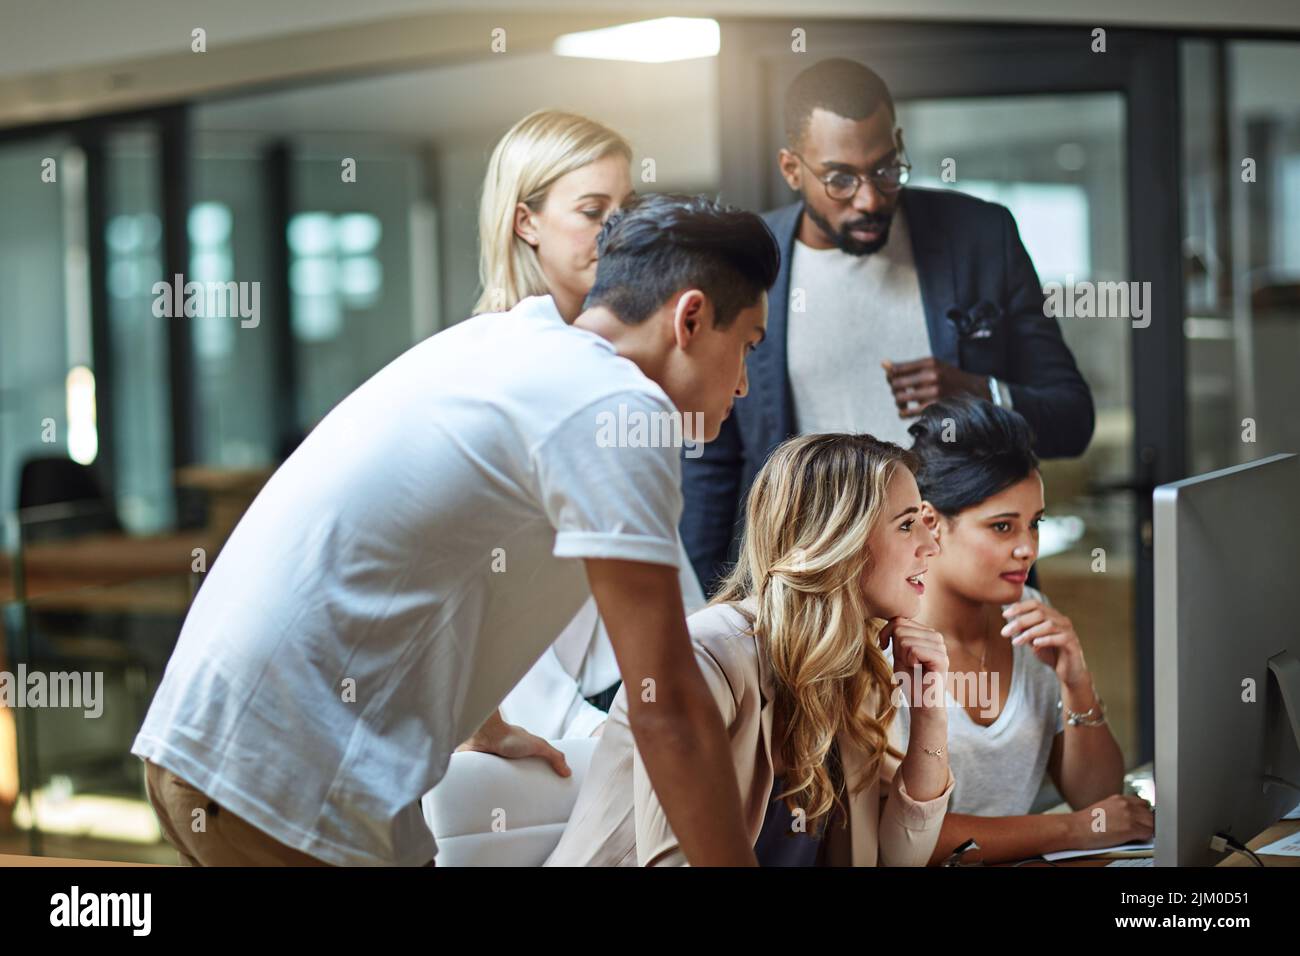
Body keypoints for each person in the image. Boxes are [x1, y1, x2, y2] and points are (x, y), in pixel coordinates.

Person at [131, 193, 777, 867]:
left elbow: (442, 549)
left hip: (213, 750)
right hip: (288, 778)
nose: (742, 386)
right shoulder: (618, 408)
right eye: (748, 348)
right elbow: (666, 704)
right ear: (692, 317)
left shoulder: (505, 342)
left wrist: (485, 722)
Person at [682, 57, 1095, 595]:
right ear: (791, 168)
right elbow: (716, 462)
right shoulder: (747, 261)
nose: (870, 198)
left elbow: (1073, 415)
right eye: (840, 179)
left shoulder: (980, 237)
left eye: (885, 170)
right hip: (807, 593)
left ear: (898, 143)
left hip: (958, 589)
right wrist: (705, 616)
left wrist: (981, 393)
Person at [546, 433, 954, 867]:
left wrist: (930, 714)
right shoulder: (705, 658)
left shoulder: (853, 672)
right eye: (907, 524)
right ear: (837, 539)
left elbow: (898, 858)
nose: (931, 546)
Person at [469, 109, 705, 742]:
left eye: (623, 211)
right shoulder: (504, 367)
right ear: (526, 221)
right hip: (543, 717)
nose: (614, 233)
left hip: (614, 698)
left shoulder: (614, 366)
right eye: (591, 210)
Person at [896, 397, 1151, 865]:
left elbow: (1095, 797)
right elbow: (909, 841)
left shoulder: (1031, 616)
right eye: (1002, 527)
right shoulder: (883, 647)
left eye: (1035, 524)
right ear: (930, 523)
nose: (1027, 549)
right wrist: (1070, 831)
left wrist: (1077, 683)